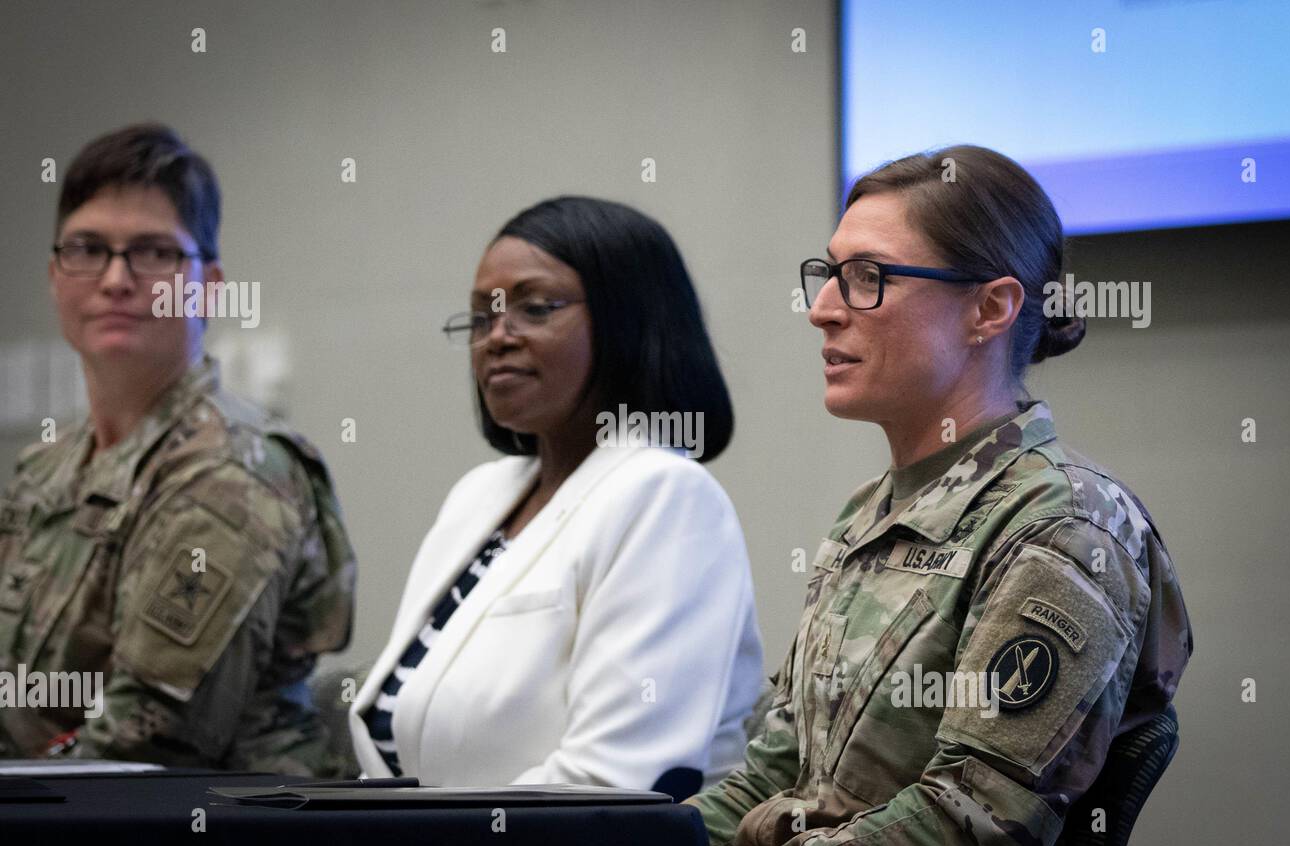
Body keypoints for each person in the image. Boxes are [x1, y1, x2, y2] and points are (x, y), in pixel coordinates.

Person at [685, 145, 1193, 846]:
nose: (823, 311)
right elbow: (770, 778)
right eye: (828, 275)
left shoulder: (1063, 529)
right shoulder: (870, 512)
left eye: (868, 278)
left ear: (990, 308)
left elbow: (968, 833)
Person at [349, 197, 763, 794]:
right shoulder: (479, 494)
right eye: (480, 318)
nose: (497, 338)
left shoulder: (665, 496)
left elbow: (613, 785)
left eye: (535, 308)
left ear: (632, 321)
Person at [0, 124, 356, 775]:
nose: (115, 279)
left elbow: (144, 744)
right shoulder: (44, 470)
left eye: (155, 253)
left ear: (208, 285)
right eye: (88, 249)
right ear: (55, 278)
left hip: (207, 840)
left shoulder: (233, 471)